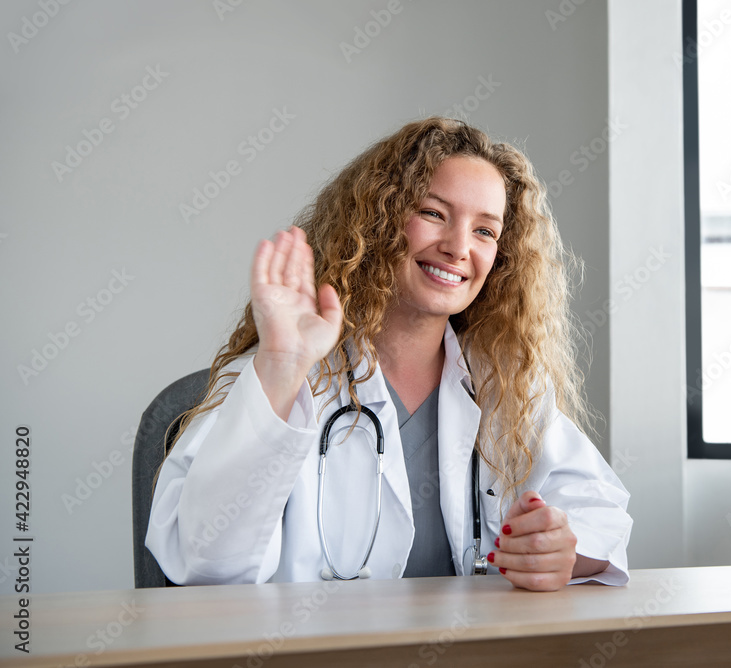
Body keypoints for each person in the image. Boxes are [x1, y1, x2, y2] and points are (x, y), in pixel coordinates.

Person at [147, 117, 631, 591]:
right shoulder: (282, 372)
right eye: (433, 213)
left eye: (485, 231)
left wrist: (561, 548)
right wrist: (281, 365)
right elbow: (205, 563)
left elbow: (602, 513)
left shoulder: (504, 385)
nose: (459, 247)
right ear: (377, 222)